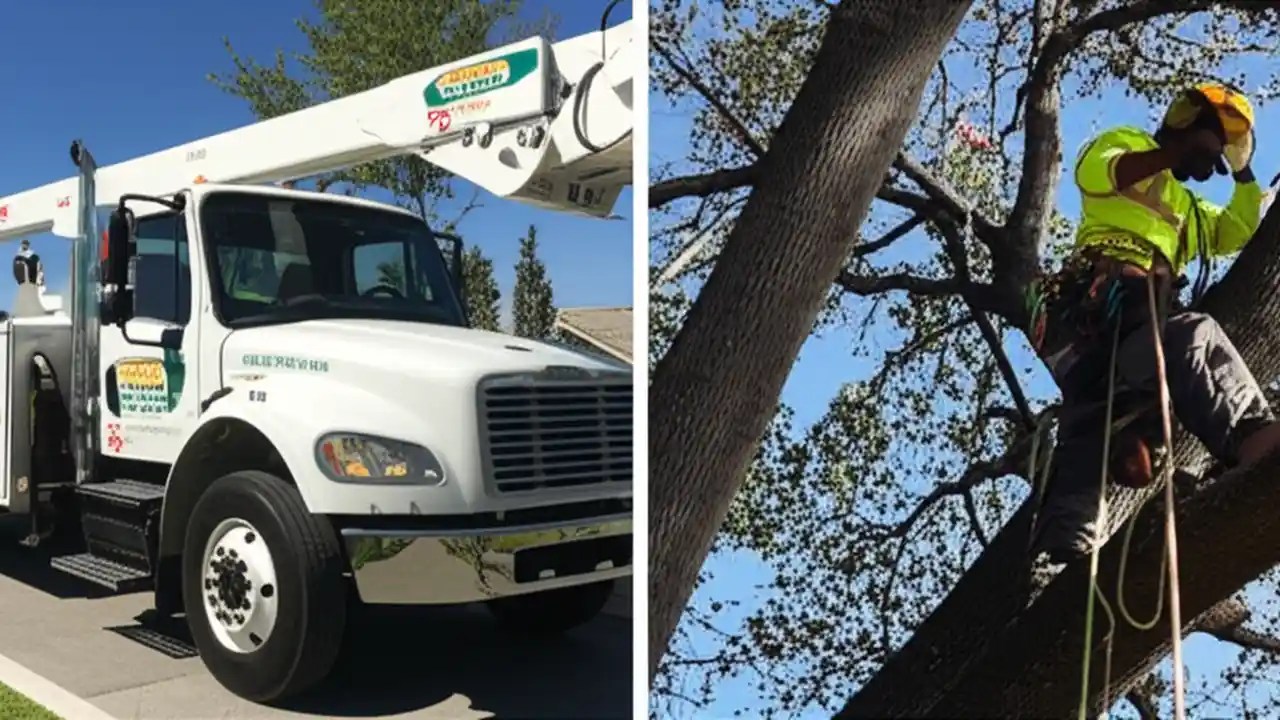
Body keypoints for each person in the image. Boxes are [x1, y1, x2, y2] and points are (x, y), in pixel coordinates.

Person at [1028, 84, 1280, 564]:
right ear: (1180, 127)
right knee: (1191, 335)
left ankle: (1068, 532)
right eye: (1206, 151)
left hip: (1124, 341)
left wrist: (1245, 176)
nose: (1206, 166)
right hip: (1099, 304)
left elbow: (1237, 230)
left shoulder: (1188, 211)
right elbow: (1102, 172)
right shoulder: (1129, 144)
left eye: (1215, 159)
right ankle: (1251, 435)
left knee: (1095, 420)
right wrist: (1172, 153)